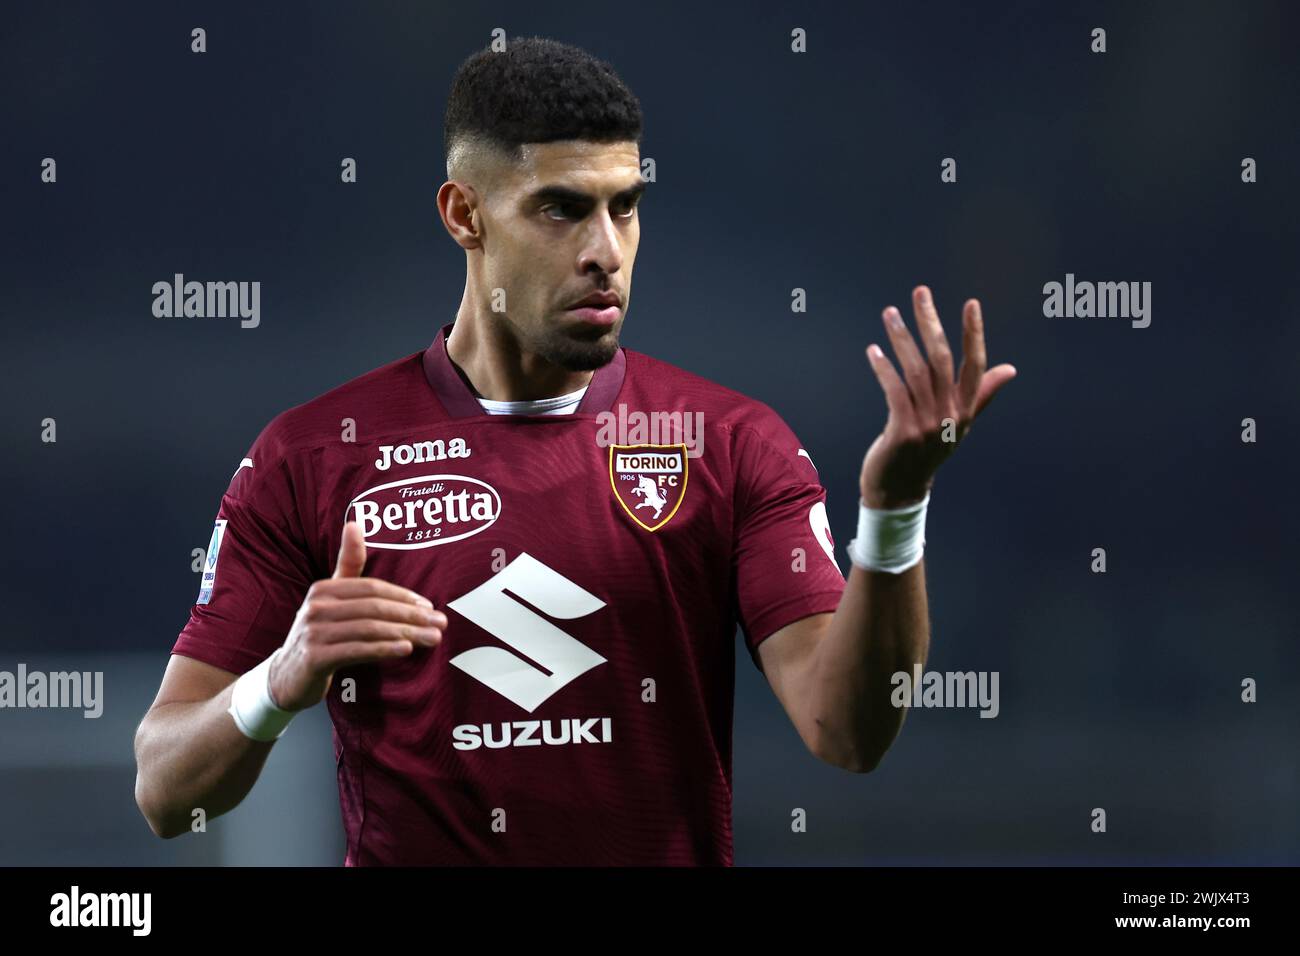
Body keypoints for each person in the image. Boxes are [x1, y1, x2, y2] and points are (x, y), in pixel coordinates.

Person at [133, 36, 1015, 865]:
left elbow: (850, 733)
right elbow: (166, 790)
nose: (606, 253)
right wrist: (279, 681)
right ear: (463, 215)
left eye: (624, 207)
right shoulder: (311, 457)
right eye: (561, 209)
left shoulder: (732, 445)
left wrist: (896, 509)